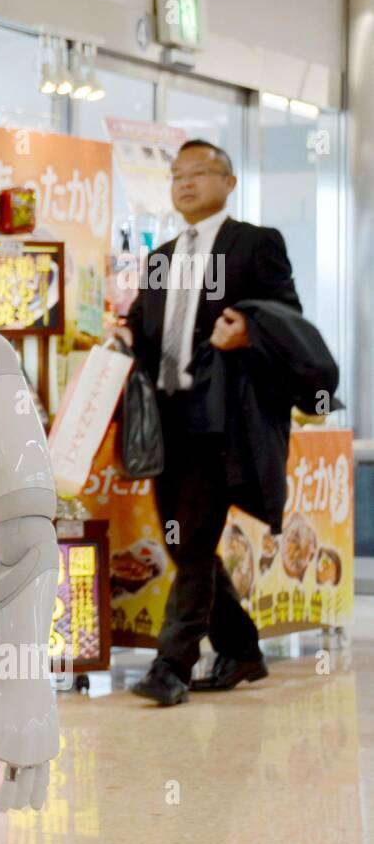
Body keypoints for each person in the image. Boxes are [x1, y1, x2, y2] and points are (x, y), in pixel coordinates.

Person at [119, 139, 302, 707]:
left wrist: (246, 326)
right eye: (177, 175)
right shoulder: (162, 256)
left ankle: (171, 665)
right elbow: (142, 324)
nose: (186, 183)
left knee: (194, 537)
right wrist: (125, 337)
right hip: (165, 418)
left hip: (221, 417)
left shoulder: (255, 244)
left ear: (229, 181)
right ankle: (242, 649)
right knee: (182, 541)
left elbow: (286, 312)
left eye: (199, 172)